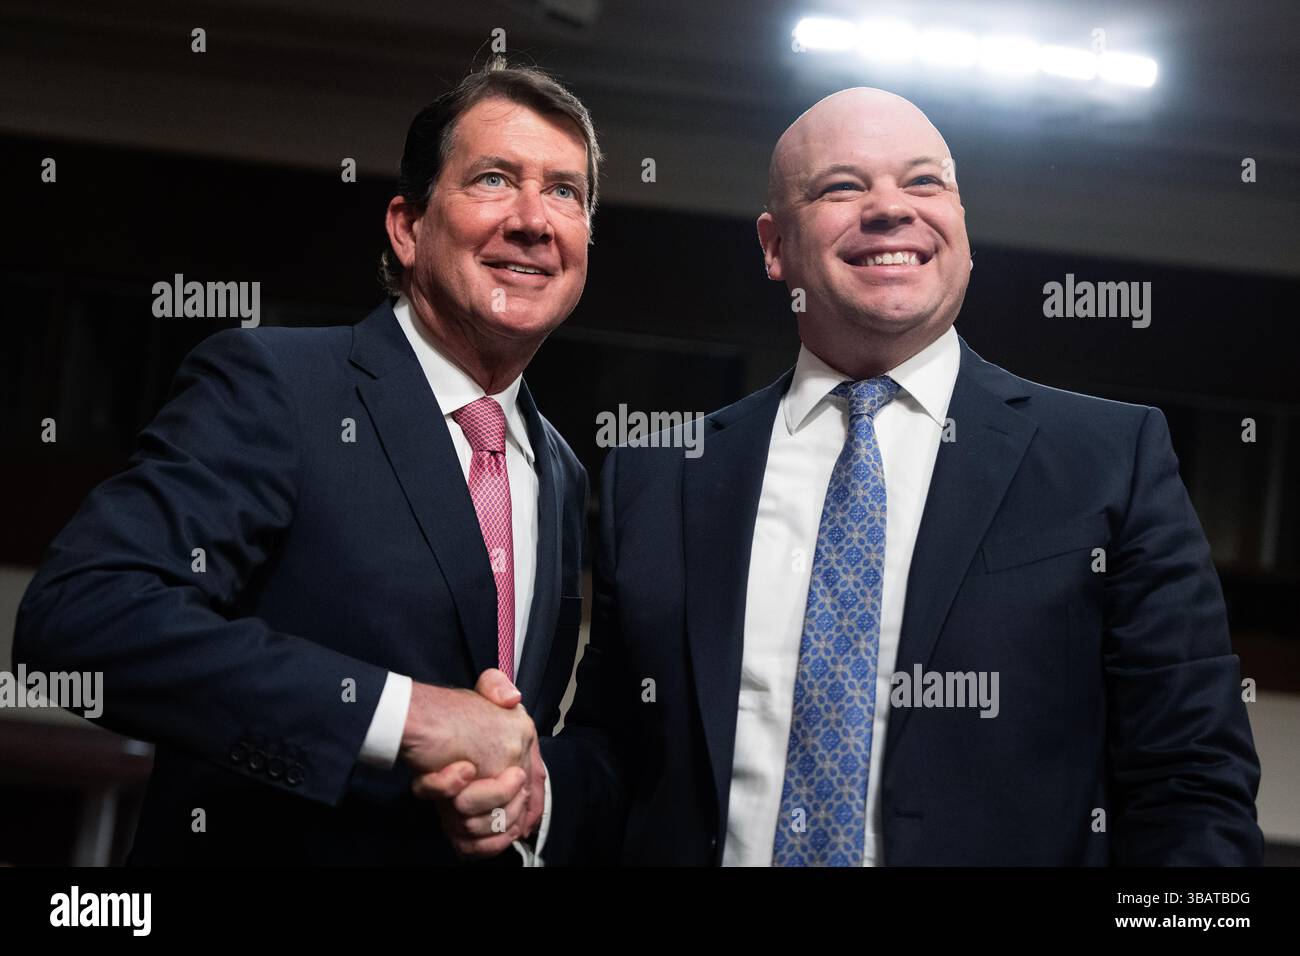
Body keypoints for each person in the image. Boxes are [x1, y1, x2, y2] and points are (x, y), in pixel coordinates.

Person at [517, 87, 1263, 865]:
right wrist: (525, 782)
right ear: (774, 248)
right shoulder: (659, 477)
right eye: (842, 186)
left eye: (924, 182)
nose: (890, 210)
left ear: (963, 233)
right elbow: (614, 754)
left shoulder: (1111, 458)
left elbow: (1191, 782)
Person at [13, 58, 597, 865]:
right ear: (408, 226)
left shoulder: (560, 470)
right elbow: (79, 619)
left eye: (565, 191)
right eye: (495, 180)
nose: (535, 220)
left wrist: (521, 795)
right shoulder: (276, 385)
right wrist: (409, 717)